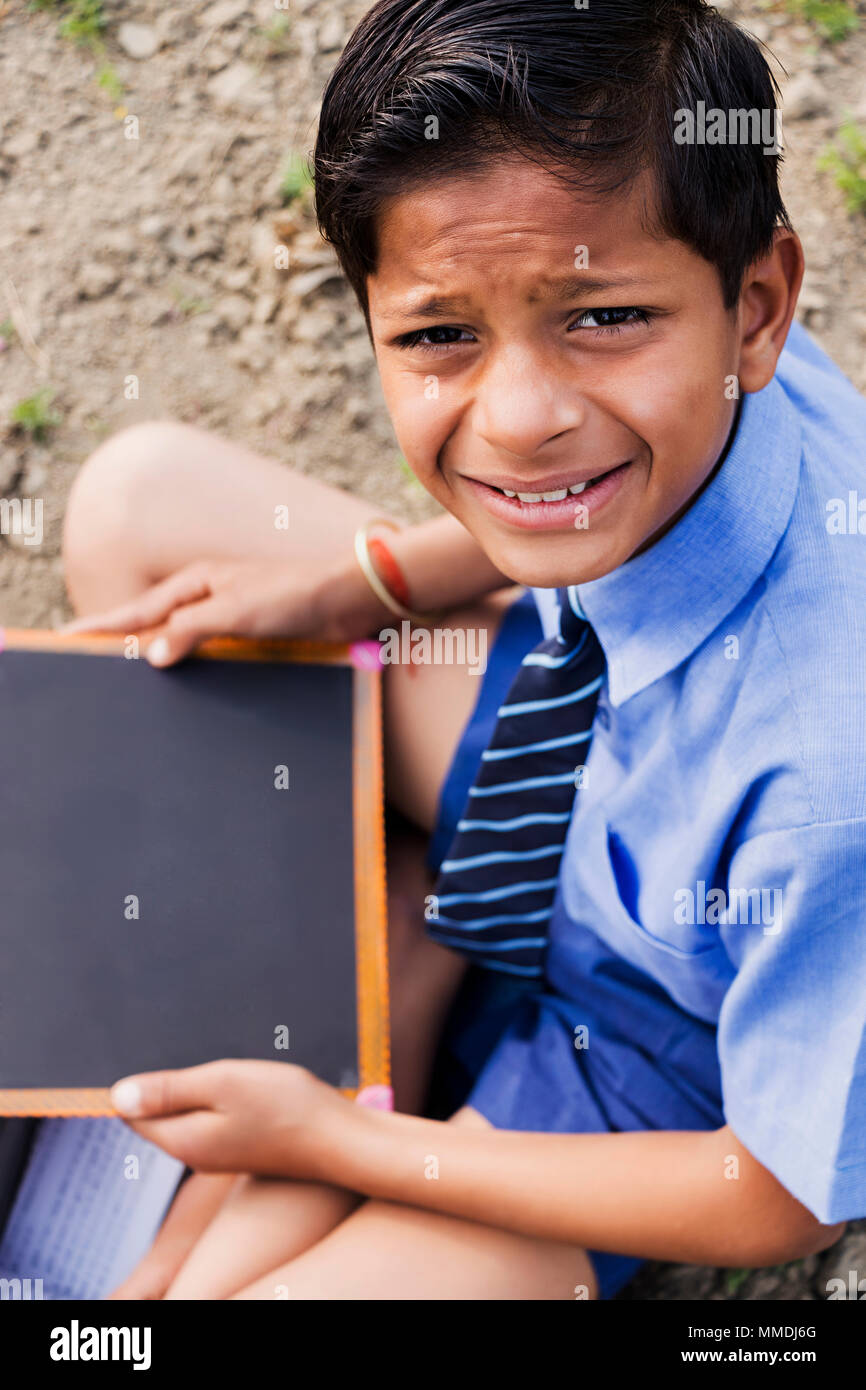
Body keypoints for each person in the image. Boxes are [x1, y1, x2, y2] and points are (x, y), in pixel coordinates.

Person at [61, 0, 865, 1300]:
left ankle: (387, 981)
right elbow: (560, 512)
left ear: (757, 307)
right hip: (548, 748)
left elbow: (771, 1188)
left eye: (599, 318)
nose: (523, 419)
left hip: (644, 1057)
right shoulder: (691, 346)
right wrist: (355, 584)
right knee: (130, 503)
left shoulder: (831, 780)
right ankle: (421, 941)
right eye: (440, 334)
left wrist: (349, 1143)